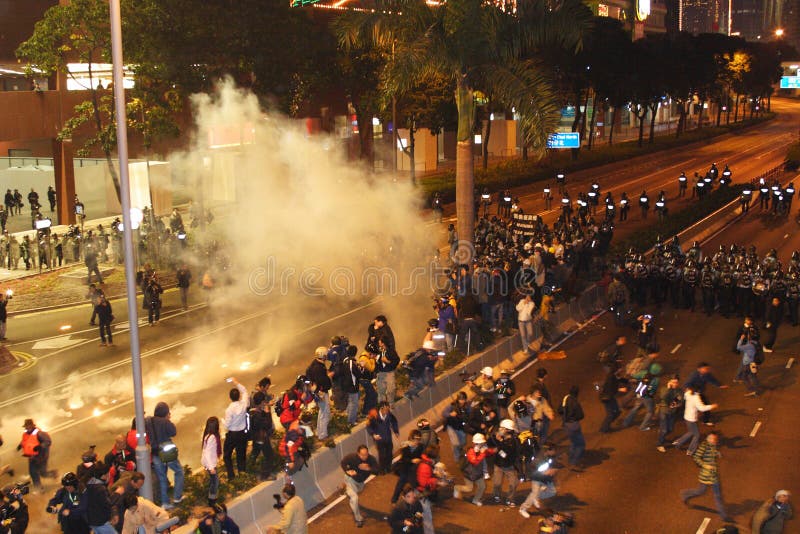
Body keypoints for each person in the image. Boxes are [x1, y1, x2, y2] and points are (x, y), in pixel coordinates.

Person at [680, 431, 731, 522]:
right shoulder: (703, 446)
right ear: (707, 438)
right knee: (700, 492)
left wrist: (717, 453)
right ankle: (685, 494)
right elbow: (696, 457)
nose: (712, 440)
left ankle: (723, 516)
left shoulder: (713, 445)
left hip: (713, 475)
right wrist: (705, 465)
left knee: (718, 496)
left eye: (714, 439)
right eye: (710, 438)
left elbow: (711, 453)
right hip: (706, 476)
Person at [145, 402, 184, 509]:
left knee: (162, 477)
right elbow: (173, 432)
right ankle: (177, 497)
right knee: (179, 471)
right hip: (167, 451)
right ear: (165, 413)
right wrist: (168, 419)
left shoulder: (149, 421)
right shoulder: (165, 422)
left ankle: (165, 503)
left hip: (155, 452)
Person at [341, 444, 379, 528]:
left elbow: (377, 471)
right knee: (355, 498)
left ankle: (346, 491)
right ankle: (358, 519)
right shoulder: (351, 457)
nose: (365, 457)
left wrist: (368, 468)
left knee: (358, 491)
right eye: (362, 455)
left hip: (360, 482)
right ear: (358, 454)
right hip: (350, 480)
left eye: (366, 454)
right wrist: (348, 471)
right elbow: (343, 462)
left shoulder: (371, 459)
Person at [672, 386, 718, 454]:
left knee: (691, 432)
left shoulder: (687, 394)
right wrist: (712, 406)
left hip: (687, 417)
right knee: (697, 435)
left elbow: (683, 395)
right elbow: (702, 408)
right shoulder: (696, 397)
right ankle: (690, 450)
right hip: (691, 419)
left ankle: (678, 442)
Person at [519, 442, 558, 518]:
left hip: (545, 478)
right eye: (554, 450)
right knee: (534, 492)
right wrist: (545, 473)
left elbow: (553, 465)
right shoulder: (539, 459)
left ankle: (535, 498)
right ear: (549, 450)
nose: (555, 452)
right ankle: (523, 509)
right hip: (537, 478)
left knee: (552, 492)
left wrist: (553, 470)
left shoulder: (551, 456)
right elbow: (532, 472)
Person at [453, 433, 492, 506]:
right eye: (480, 443)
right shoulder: (470, 451)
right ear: (475, 443)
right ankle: (457, 488)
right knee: (469, 488)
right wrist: (482, 453)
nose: (482, 444)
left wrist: (490, 451)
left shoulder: (483, 449)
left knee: (482, 487)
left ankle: (475, 500)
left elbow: (489, 453)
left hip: (478, 473)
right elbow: (474, 461)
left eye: (482, 443)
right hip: (469, 474)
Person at [222, 377, 248, 480]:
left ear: (230, 397)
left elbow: (227, 425)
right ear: (239, 396)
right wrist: (235, 381)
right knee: (241, 455)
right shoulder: (244, 404)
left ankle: (231, 476)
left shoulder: (229, 410)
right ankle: (242, 475)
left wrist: (222, 421)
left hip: (232, 435)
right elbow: (245, 391)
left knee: (227, 455)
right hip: (242, 433)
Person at [490, 419, 520, 506]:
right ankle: (496, 495)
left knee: (513, 484)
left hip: (509, 466)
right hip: (498, 465)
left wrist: (499, 443)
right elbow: (491, 443)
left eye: (502, 428)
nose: (500, 429)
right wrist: (494, 438)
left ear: (508, 430)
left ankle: (510, 499)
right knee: (496, 483)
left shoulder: (513, 442)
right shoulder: (501, 438)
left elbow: (504, 454)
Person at [17, 418, 53, 491]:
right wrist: (20, 446)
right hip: (32, 457)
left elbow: (48, 442)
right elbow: (25, 441)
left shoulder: (40, 433)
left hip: (41, 457)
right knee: (33, 473)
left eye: (28, 426)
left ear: (32, 425)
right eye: (26, 426)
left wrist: (40, 446)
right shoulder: (26, 433)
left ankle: (54, 474)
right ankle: (39, 488)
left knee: (43, 473)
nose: (27, 428)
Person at [83, 461, 117, 534]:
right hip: (101, 522)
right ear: (104, 476)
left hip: (92, 521)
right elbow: (108, 503)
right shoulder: (100, 489)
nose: (109, 475)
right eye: (108, 473)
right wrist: (118, 493)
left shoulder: (89, 484)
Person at [305, 347, 332, 440]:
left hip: (318, 392)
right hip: (321, 393)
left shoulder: (315, 364)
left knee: (322, 412)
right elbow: (322, 381)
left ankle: (319, 431)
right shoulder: (319, 368)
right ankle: (323, 435)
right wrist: (328, 377)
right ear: (323, 356)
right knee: (325, 413)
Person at [248, 392, 275, 482]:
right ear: (262, 402)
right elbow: (267, 425)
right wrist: (268, 413)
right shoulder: (258, 415)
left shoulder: (253, 411)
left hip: (256, 438)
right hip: (262, 438)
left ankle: (248, 471)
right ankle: (265, 475)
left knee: (254, 453)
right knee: (269, 456)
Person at [391, 430, 424, 504]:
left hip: (414, 469)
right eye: (415, 439)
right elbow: (404, 459)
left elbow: (421, 456)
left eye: (418, 439)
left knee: (415, 483)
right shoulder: (405, 447)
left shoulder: (420, 447)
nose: (417, 442)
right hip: (405, 468)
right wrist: (412, 460)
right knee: (400, 483)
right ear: (411, 439)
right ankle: (394, 500)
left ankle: (416, 499)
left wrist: (419, 460)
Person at [367, 401, 400, 474]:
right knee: (382, 454)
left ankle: (388, 467)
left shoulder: (389, 414)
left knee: (389, 453)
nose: (387, 411)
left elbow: (394, 421)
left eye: (388, 409)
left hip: (388, 437)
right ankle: (382, 469)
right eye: (385, 409)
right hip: (379, 439)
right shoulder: (374, 416)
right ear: (381, 409)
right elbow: (369, 426)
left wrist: (396, 431)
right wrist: (373, 435)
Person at [559, 386, 585, 468]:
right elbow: (581, 415)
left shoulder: (565, 399)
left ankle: (570, 459)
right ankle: (573, 462)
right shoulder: (575, 402)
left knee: (573, 442)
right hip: (574, 425)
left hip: (566, 425)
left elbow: (559, 410)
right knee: (581, 444)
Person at [656, 375, 683, 453]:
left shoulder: (679, 390)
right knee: (664, 430)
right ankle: (659, 444)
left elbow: (681, 400)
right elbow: (663, 397)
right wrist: (668, 389)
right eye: (673, 382)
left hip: (673, 412)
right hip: (664, 411)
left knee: (670, 429)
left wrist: (678, 404)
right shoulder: (664, 389)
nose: (675, 384)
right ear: (669, 382)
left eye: (676, 382)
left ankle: (662, 435)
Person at [441, 392, 470, 462]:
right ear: (458, 399)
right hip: (451, 426)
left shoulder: (467, 406)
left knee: (463, 442)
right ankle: (457, 458)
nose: (462, 401)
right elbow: (444, 413)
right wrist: (450, 414)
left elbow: (470, 414)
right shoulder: (452, 406)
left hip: (460, 426)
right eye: (461, 399)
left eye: (463, 399)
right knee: (455, 443)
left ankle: (459, 449)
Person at [200, 417, 222, 506]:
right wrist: (211, 467)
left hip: (208, 462)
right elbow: (208, 453)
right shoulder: (212, 437)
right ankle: (212, 500)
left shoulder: (207, 435)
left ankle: (212, 497)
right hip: (210, 464)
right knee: (215, 482)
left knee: (213, 481)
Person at [375, 336, 400, 404]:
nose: (379, 343)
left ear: (383, 343)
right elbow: (376, 363)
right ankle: (382, 406)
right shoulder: (379, 352)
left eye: (380, 342)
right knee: (381, 391)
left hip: (389, 373)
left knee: (391, 390)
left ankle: (391, 403)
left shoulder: (391, 351)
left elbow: (397, 360)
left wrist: (388, 362)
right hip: (381, 373)